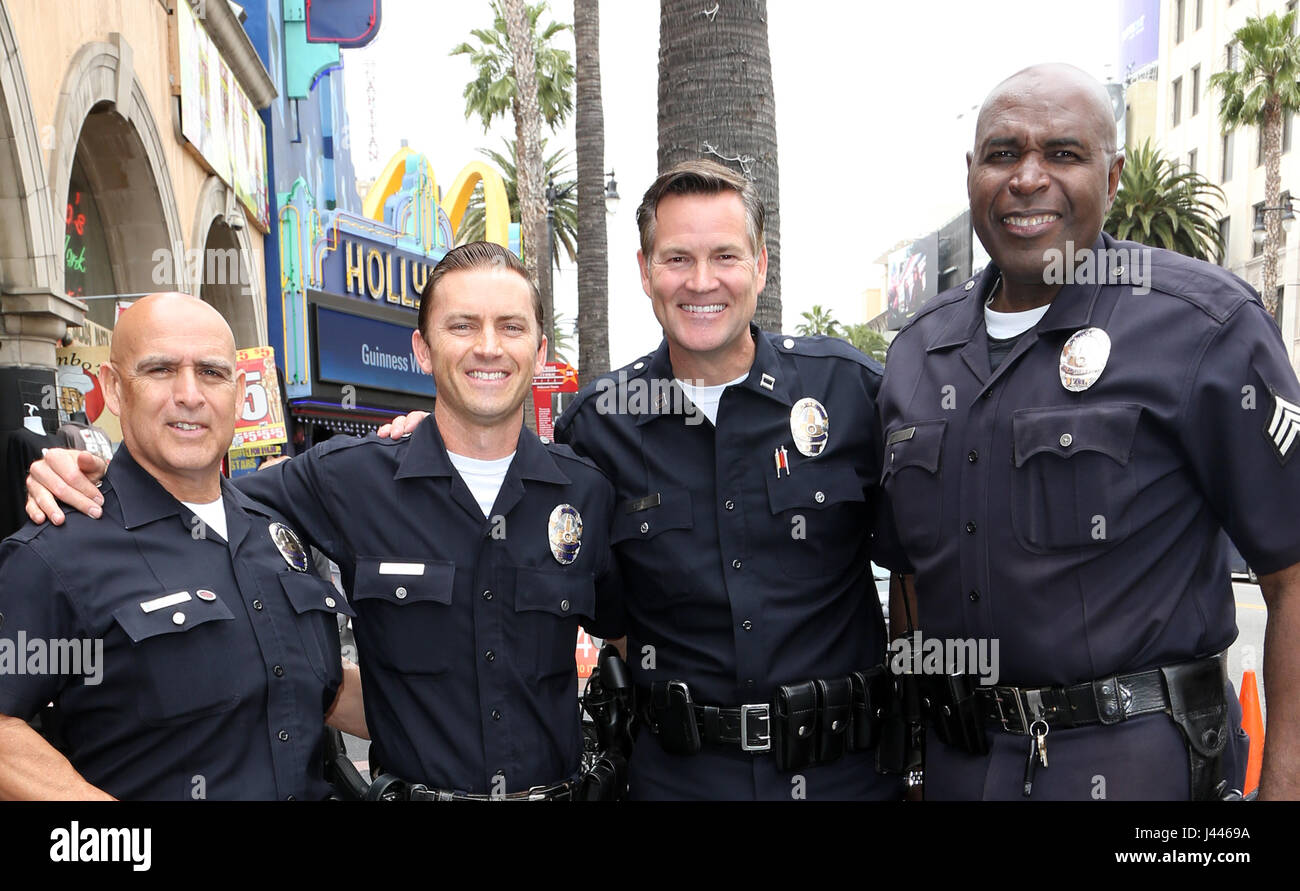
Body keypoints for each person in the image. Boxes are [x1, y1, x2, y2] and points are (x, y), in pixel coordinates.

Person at [28, 244, 622, 801]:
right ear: (422, 349)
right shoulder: (346, 478)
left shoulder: (589, 493)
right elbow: (194, 487)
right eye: (462, 325)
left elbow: (630, 635)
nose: (487, 347)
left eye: (511, 326)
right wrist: (85, 469)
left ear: (541, 351)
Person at [386, 161, 897, 800]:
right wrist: (438, 434)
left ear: (760, 266)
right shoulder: (598, 428)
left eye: (725, 256)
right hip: (677, 779)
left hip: (845, 777)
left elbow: (914, 568)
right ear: (644, 272)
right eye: (677, 258)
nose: (701, 281)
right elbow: (579, 588)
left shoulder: (850, 393)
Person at [874, 63, 1300, 800]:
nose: (1028, 177)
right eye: (1003, 154)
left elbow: (1293, 576)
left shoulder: (1204, 327)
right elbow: (909, 584)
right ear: (972, 173)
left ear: (1112, 177)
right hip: (959, 768)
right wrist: (914, 757)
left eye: (1064, 153)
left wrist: (1287, 786)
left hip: (1147, 773)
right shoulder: (915, 354)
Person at [0, 293, 366, 800]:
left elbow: (319, 690)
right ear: (112, 388)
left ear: (239, 394)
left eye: (212, 373)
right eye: (160, 370)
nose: (189, 394)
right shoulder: (58, 552)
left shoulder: (273, 534)